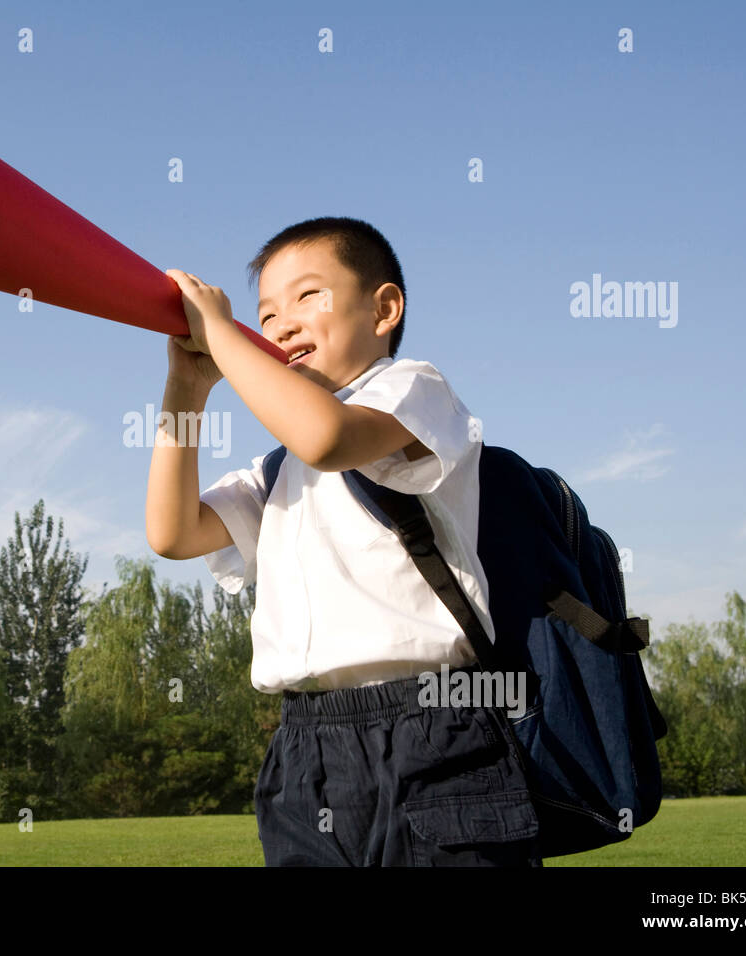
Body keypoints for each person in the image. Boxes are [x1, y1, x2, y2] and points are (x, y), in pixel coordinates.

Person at [145, 216, 541, 866]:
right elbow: (173, 531)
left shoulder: (414, 390)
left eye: (308, 297)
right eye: (265, 314)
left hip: (436, 725)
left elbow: (329, 439)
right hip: (306, 746)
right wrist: (187, 387)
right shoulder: (276, 473)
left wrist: (218, 330)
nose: (281, 325)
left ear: (384, 309)